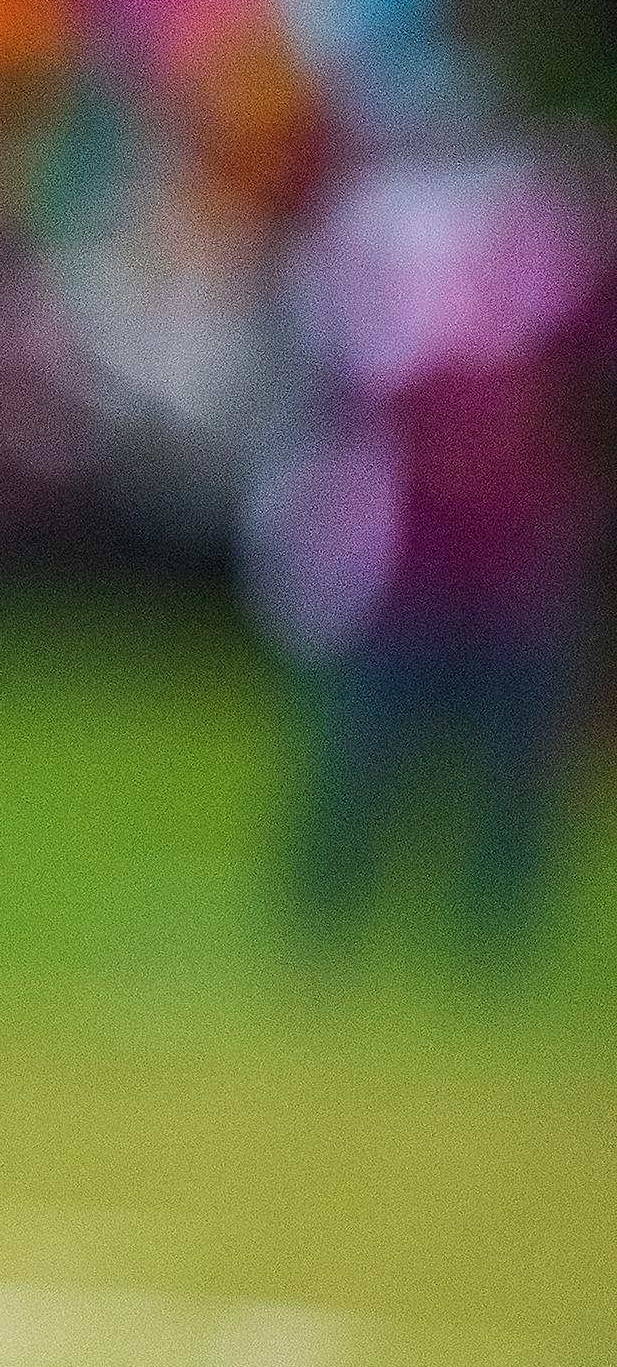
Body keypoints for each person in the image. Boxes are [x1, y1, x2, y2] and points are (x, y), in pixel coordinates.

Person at [259, 105, 615, 959]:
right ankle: (338, 900)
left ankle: (487, 911)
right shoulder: (381, 236)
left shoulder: (531, 240)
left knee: (511, 741)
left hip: (505, 538)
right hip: (418, 542)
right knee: (379, 732)